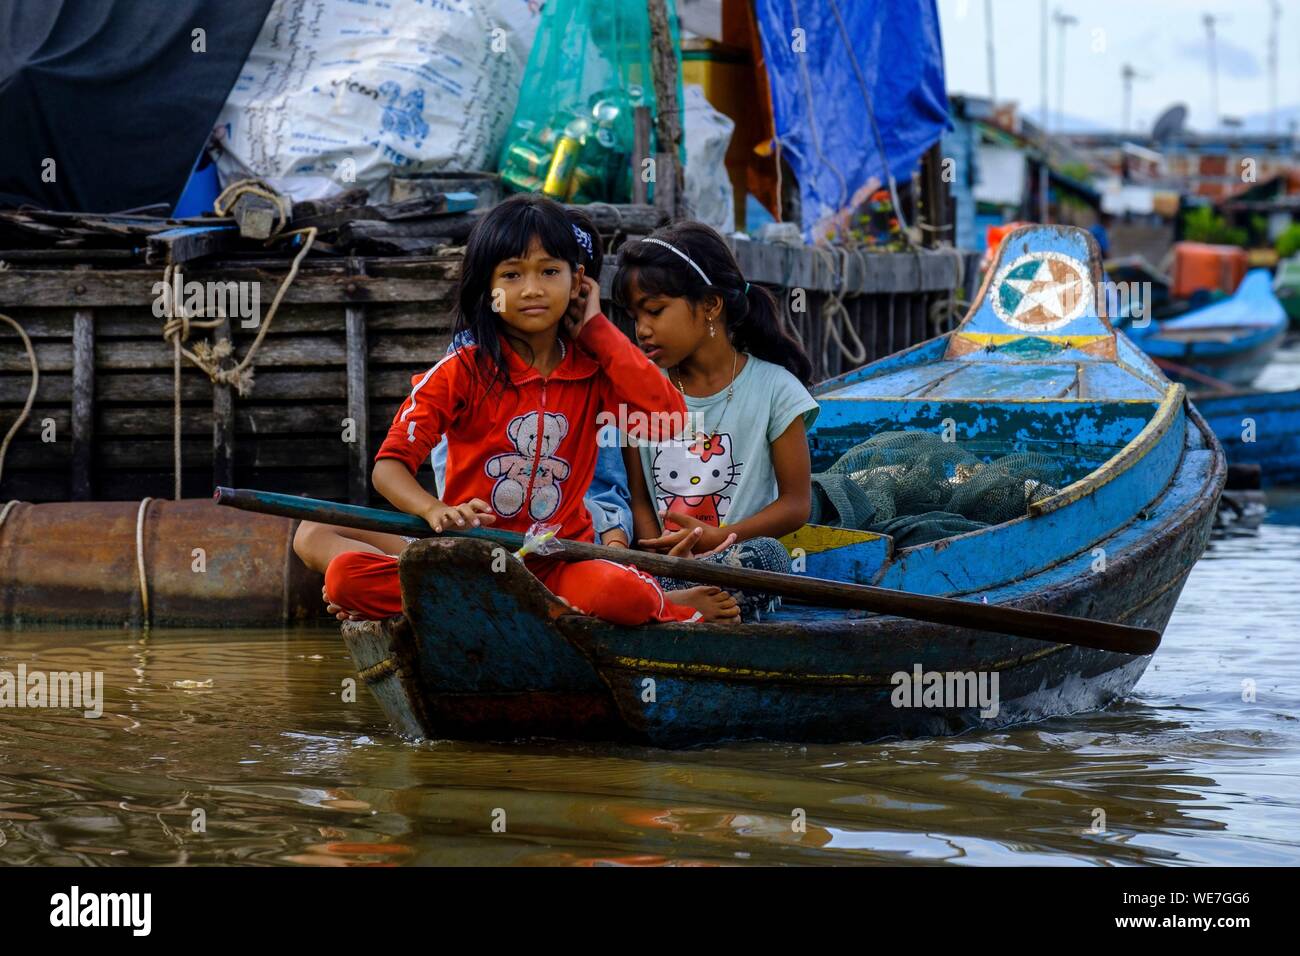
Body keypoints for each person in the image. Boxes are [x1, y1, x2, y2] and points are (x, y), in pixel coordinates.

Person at [304, 194, 737, 625]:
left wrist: (596, 327)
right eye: (512, 274)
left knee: (617, 591)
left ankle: (671, 603)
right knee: (346, 577)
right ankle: (522, 609)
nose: (532, 289)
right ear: (486, 288)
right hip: (468, 560)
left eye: (550, 272)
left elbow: (671, 420)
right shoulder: (461, 369)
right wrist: (432, 510)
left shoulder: (596, 369)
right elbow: (389, 467)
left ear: (578, 281)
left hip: (559, 563)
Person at [613, 221, 819, 621]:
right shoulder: (637, 391)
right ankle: (674, 600)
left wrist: (718, 538)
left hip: (737, 556)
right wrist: (660, 549)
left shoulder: (775, 388)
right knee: (619, 566)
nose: (641, 330)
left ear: (710, 305)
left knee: (771, 556)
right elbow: (639, 500)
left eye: (655, 311)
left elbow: (796, 504)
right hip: (667, 565)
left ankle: (669, 606)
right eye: (634, 315)